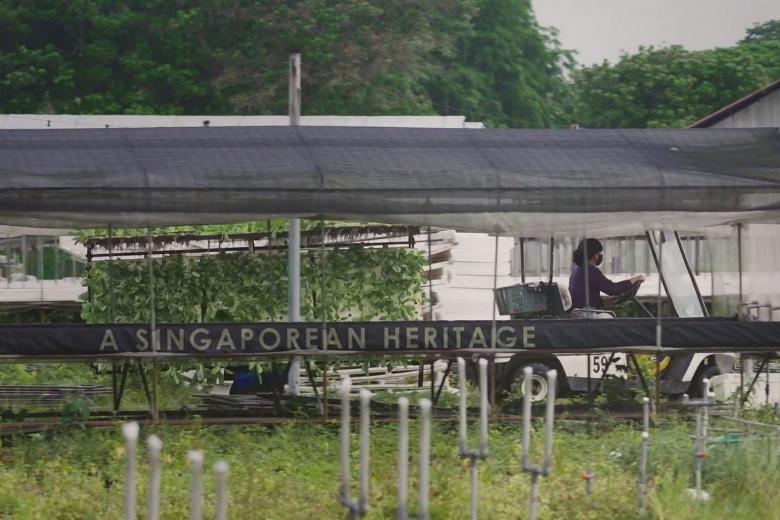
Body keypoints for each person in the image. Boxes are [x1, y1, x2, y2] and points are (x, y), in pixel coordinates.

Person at [568, 238, 646, 309]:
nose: (600, 256)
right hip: (586, 315)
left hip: (578, 313)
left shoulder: (577, 270)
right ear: (595, 255)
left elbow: (584, 297)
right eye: (600, 253)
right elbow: (612, 289)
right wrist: (635, 279)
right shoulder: (591, 272)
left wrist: (604, 301)